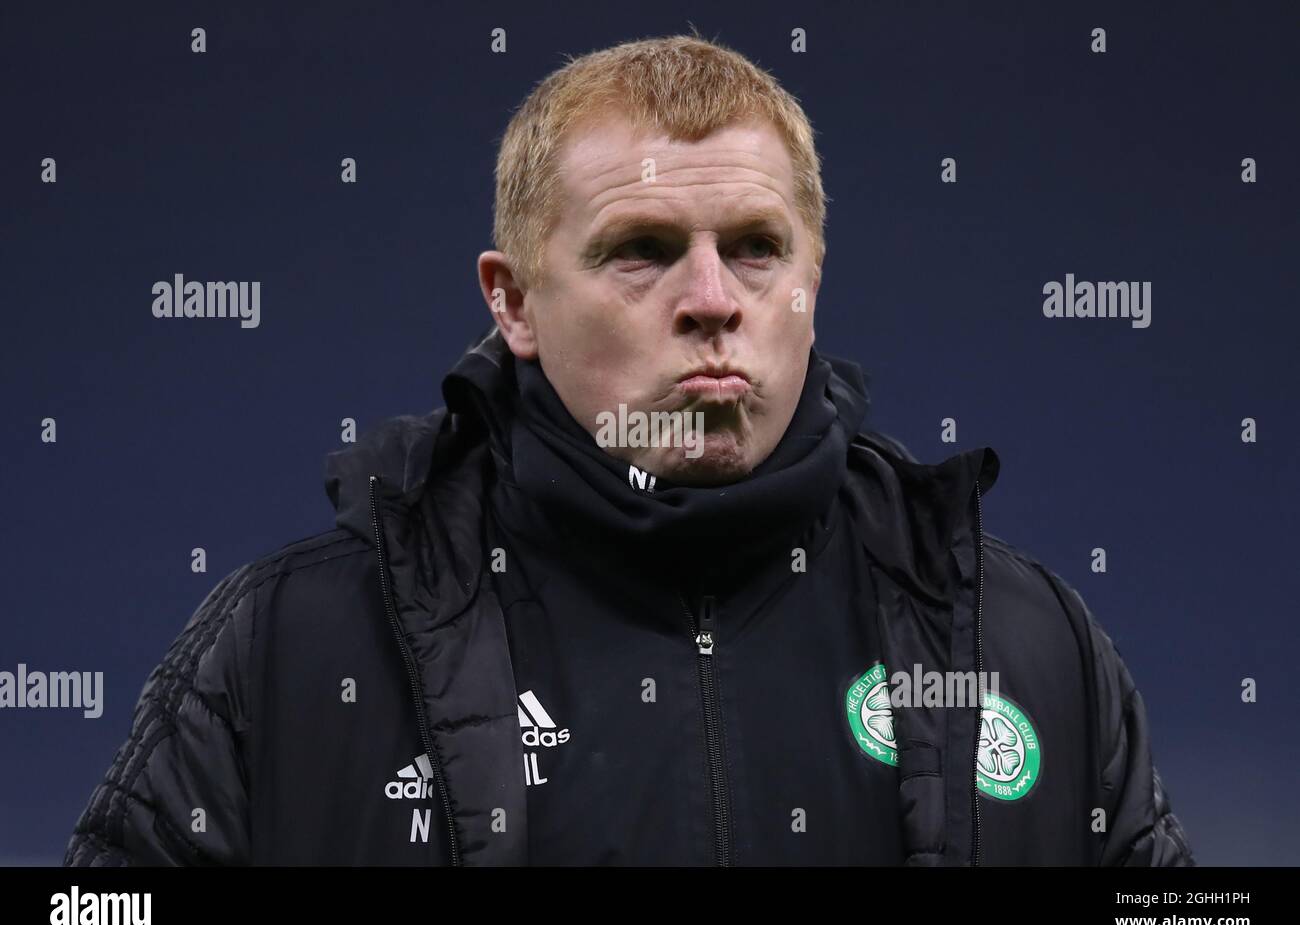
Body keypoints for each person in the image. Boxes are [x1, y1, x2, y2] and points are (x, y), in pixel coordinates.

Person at [65, 34, 1193, 866]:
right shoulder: (289, 647)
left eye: (754, 247)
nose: (712, 300)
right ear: (513, 303)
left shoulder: (1026, 636)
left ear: (811, 279)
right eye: (642, 251)